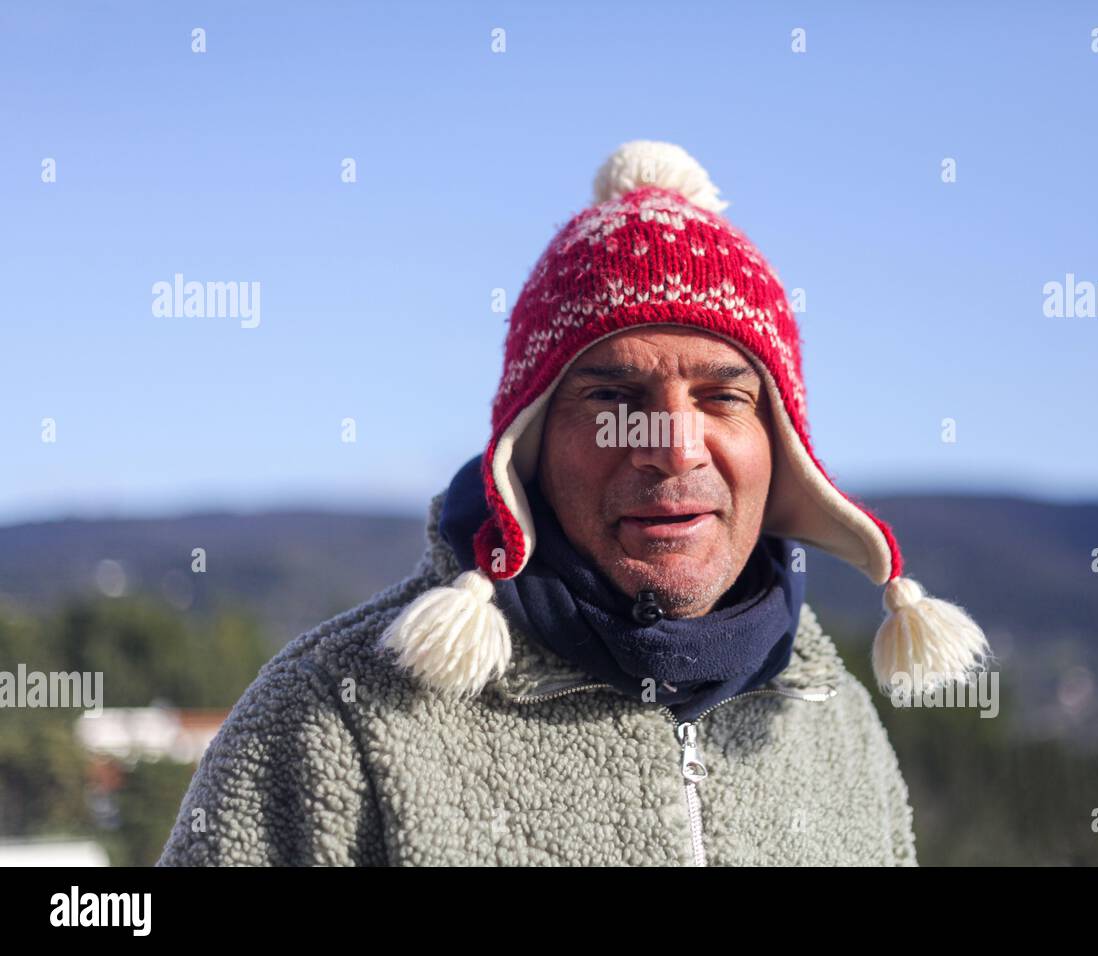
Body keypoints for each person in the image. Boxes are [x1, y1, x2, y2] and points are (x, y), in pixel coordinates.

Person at [157, 140, 990, 866]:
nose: (672, 445)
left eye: (721, 397)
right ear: (529, 446)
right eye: (613, 394)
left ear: (781, 445)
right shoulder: (334, 717)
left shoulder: (835, 723)